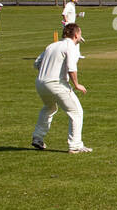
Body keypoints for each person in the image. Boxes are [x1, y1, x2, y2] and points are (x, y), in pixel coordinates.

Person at [32, 22, 90, 153]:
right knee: (76, 112)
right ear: (76, 35)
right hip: (56, 84)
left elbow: (36, 64)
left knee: (49, 107)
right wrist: (76, 84)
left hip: (40, 83)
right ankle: (75, 145)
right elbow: (71, 68)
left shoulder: (52, 45)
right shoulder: (71, 47)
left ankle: (38, 137)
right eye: (80, 34)